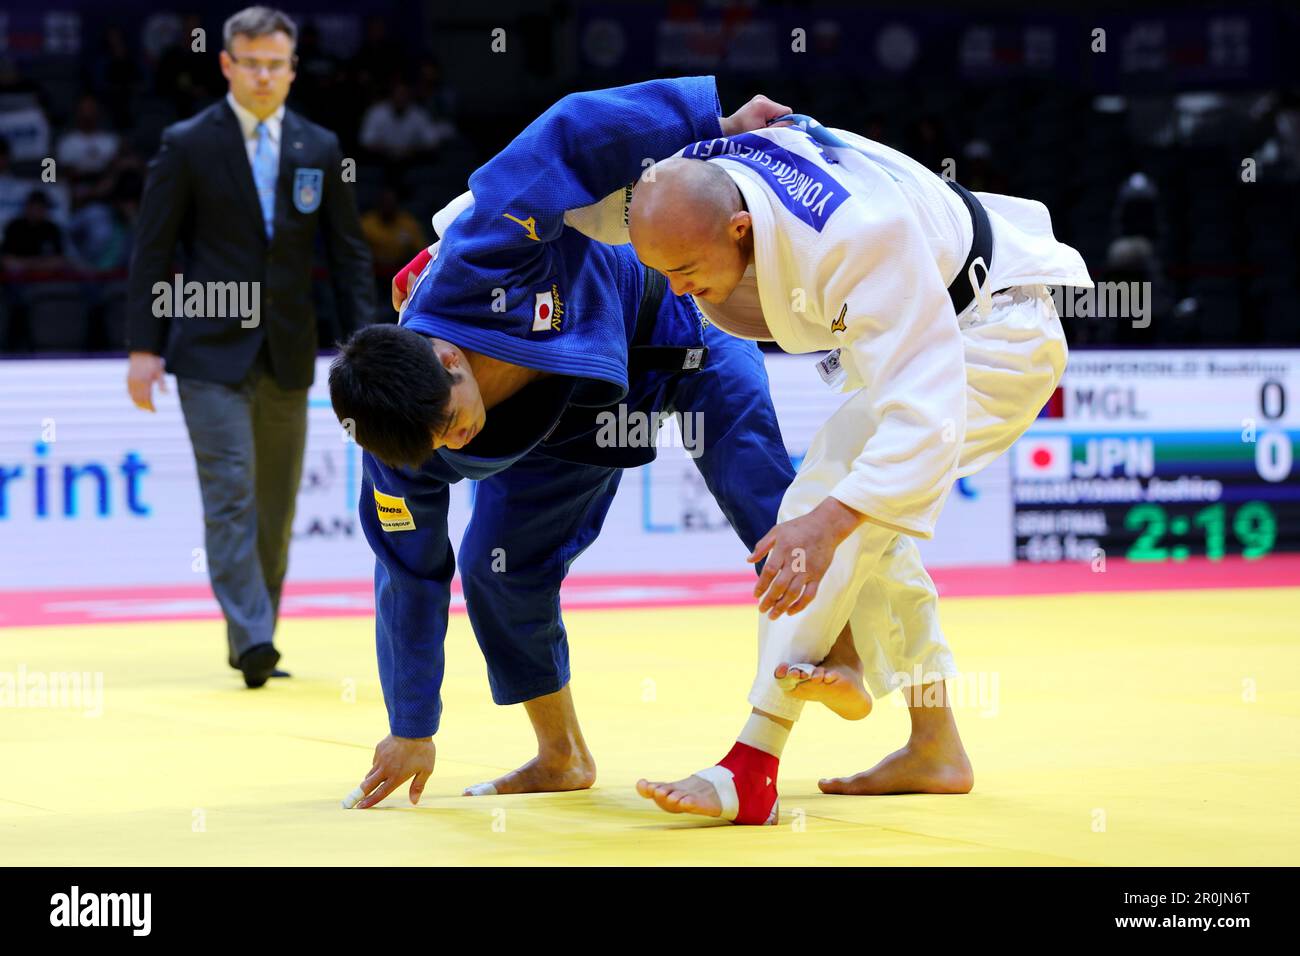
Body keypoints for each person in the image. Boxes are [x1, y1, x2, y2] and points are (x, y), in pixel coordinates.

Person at [330, 78, 797, 809]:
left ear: (449, 357)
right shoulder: (395, 439)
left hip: (680, 319)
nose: (453, 439)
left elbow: (569, 132)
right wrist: (411, 725)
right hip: (577, 420)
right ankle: (563, 754)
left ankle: (915, 719)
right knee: (498, 571)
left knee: (776, 514)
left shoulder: (482, 254)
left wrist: (718, 119)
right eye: (438, 444)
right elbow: (409, 571)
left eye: (449, 419)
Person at [617, 114, 1092, 823]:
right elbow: (766, 114)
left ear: (740, 228)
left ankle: (755, 760)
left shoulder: (855, 238)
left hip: (996, 335)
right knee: (874, 532)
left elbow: (924, 421)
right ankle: (935, 746)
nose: (679, 292)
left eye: (685, 272)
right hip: (939, 311)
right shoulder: (702, 171)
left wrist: (829, 522)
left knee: (828, 508)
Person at [126, 6, 375, 688]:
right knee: (230, 491)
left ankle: (255, 632)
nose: (265, 75)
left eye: (277, 64)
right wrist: (143, 347)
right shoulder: (188, 142)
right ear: (227, 64)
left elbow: (348, 255)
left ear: (293, 70)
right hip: (206, 348)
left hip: (288, 350)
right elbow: (152, 251)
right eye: (252, 63)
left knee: (276, 502)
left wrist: (367, 346)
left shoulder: (319, 145)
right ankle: (254, 634)